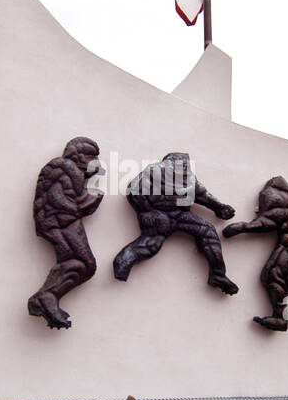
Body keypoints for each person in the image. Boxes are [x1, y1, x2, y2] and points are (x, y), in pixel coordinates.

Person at [113, 151, 239, 295]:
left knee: (208, 231)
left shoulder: (189, 178)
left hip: (180, 214)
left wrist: (219, 207)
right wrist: (147, 211)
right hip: (157, 214)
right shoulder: (153, 173)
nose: (182, 167)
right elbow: (133, 190)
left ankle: (217, 274)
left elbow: (202, 195)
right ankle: (122, 265)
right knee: (151, 244)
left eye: (185, 165)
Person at [223, 176, 288, 330]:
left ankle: (281, 318)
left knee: (272, 276)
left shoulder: (281, 209)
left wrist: (240, 227)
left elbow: (264, 223)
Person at [28, 136, 103, 329]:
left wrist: (90, 198)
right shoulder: (62, 169)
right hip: (58, 223)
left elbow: (71, 200)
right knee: (82, 263)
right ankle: (47, 296)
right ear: (78, 156)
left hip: (64, 221)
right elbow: (59, 201)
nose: (96, 162)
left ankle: (43, 298)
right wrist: (90, 200)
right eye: (91, 157)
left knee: (85, 265)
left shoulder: (73, 173)